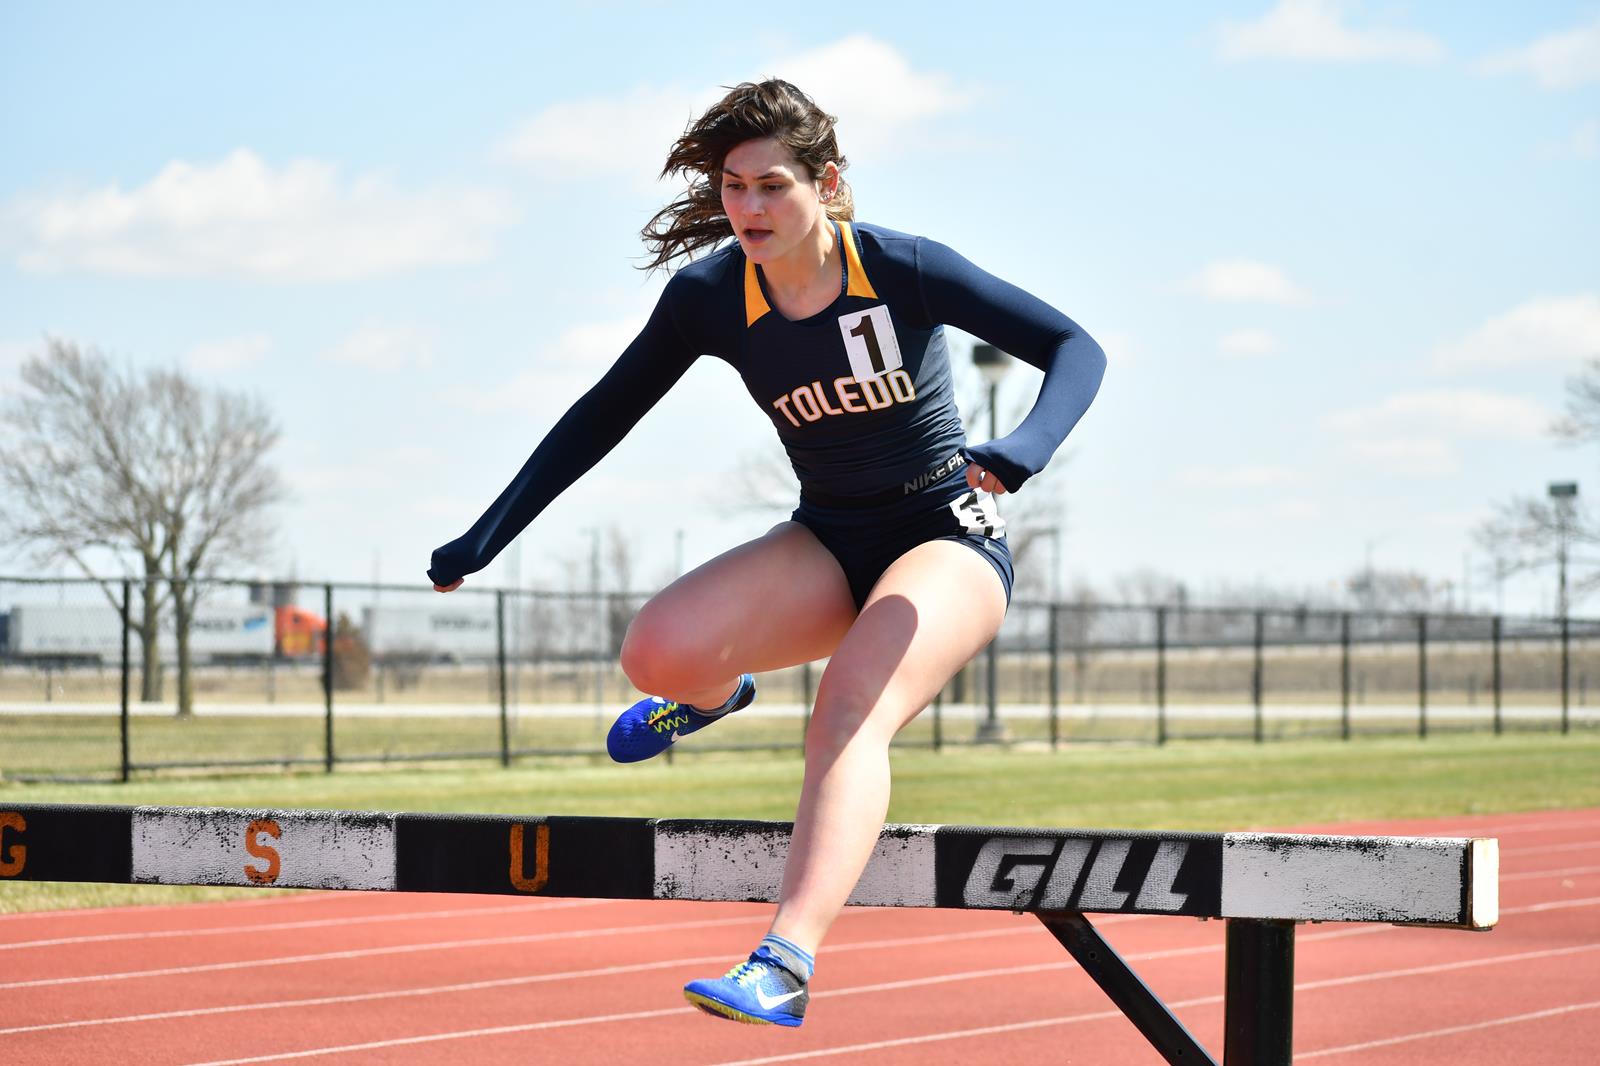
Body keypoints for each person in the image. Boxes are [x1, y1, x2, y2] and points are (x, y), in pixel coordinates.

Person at [427, 78, 1106, 1028]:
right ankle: (712, 698)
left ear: (824, 184)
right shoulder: (709, 297)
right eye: (733, 187)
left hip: (945, 535)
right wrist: (489, 533)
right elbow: (601, 417)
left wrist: (1022, 450)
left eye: (772, 186)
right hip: (828, 536)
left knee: (846, 714)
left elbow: (1075, 346)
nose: (748, 207)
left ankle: (783, 961)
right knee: (653, 652)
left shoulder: (904, 267)